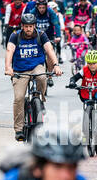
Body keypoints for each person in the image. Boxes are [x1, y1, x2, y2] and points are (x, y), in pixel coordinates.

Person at [4, 12, 62, 141]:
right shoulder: (15, 36)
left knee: (42, 77)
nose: (28, 29)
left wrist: (56, 65)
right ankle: (19, 129)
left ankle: (40, 99)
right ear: (22, 26)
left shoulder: (41, 35)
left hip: (37, 66)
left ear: (34, 26)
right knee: (19, 98)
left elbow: (49, 50)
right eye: (26, 26)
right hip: (20, 70)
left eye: (31, 26)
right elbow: (9, 51)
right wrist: (8, 67)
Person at [69, 47, 97, 113]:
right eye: (90, 63)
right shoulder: (84, 70)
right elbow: (74, 78)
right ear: (87, 63)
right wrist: (72, 82)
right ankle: (87, 118)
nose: (92, 66)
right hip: (86, 90)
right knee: (87, 102)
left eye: (94, 63)